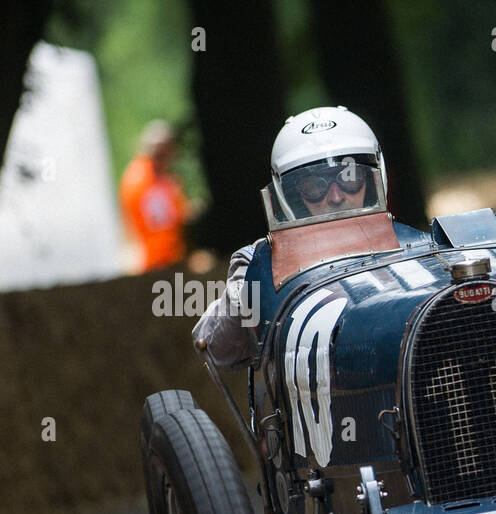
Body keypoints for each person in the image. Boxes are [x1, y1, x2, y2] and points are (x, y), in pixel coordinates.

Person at [193, 106, 389, 368]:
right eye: (316, 185)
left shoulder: (409, 245)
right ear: (291, 193)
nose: (336, 196)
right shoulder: (263, 262)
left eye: (349, 177)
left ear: (373, 175)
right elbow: (213, 347)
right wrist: (249, 289)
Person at [119, 120, 193, 272]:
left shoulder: (156, 177)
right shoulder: (143, 179)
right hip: (157, 264)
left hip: (167, 260)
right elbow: (163, 221)